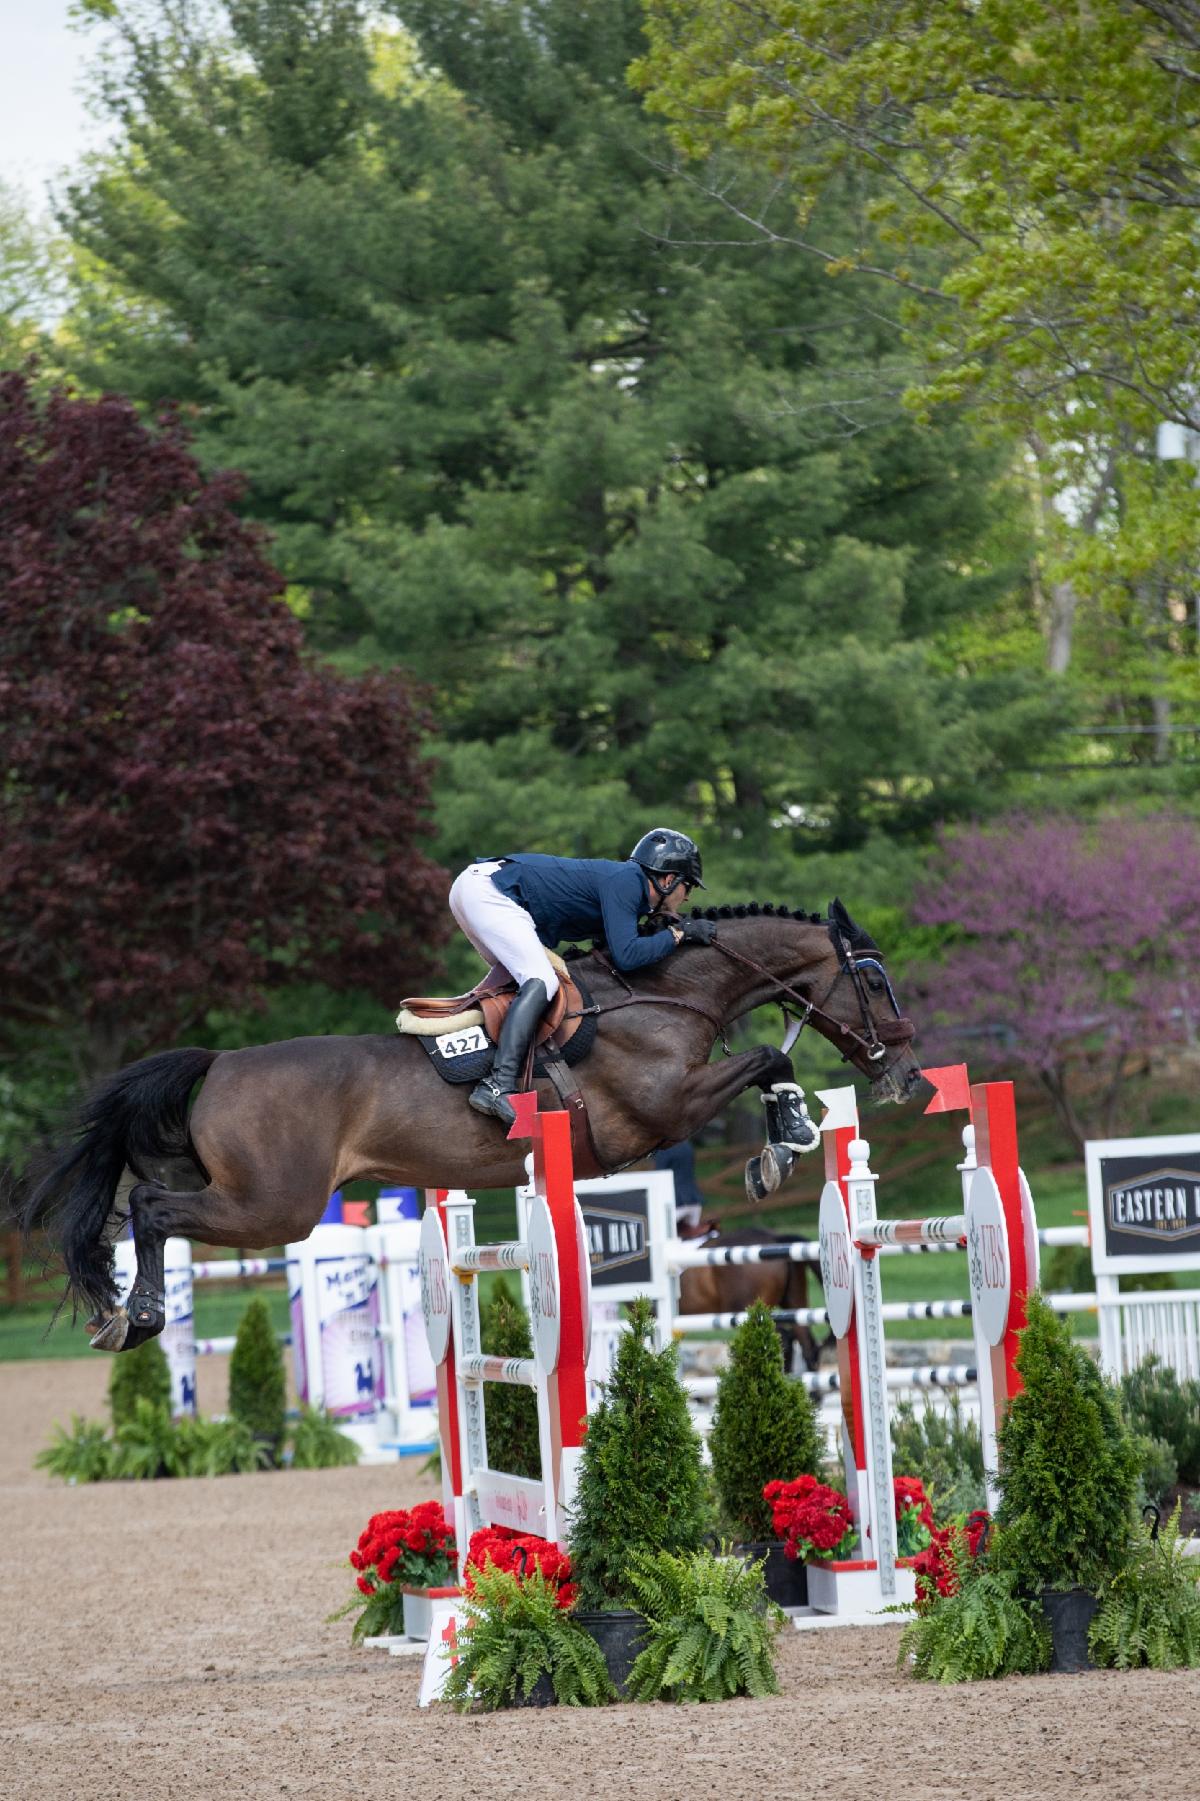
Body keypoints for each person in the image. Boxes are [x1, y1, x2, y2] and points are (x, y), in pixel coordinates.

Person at [449, 828, 716, 1129]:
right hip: (490, 891)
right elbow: (627, 957)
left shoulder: (627, 887)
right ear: (669, 880)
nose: (689, 896)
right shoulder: (628, 881)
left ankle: (474, 1063)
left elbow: (617, 950)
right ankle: (498, 1084)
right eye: (688, 885)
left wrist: (666, 933)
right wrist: (678, 935)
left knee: (518, 987)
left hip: (477, 889)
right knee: (542, 980)